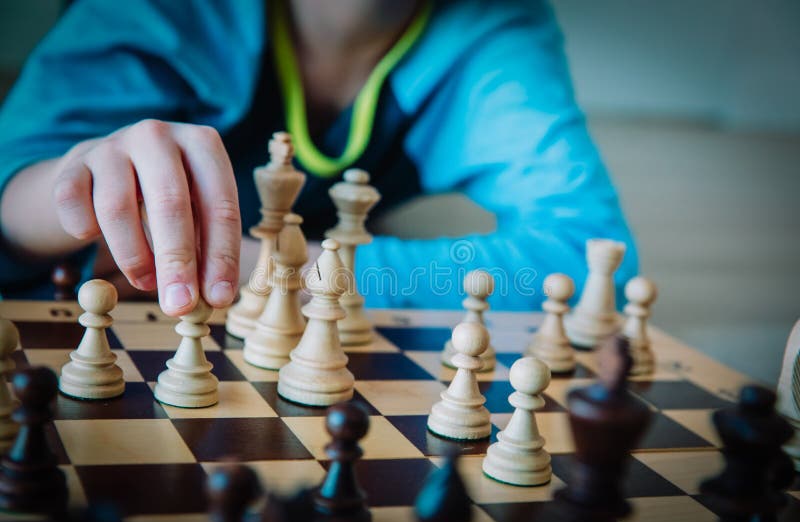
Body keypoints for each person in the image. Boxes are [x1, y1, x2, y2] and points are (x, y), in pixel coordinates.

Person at [0, 0, 637, 315]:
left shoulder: (497, 27)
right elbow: (14, 208)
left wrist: (271, 269)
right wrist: (70, 191)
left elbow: (592, 266)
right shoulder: (154, 10)